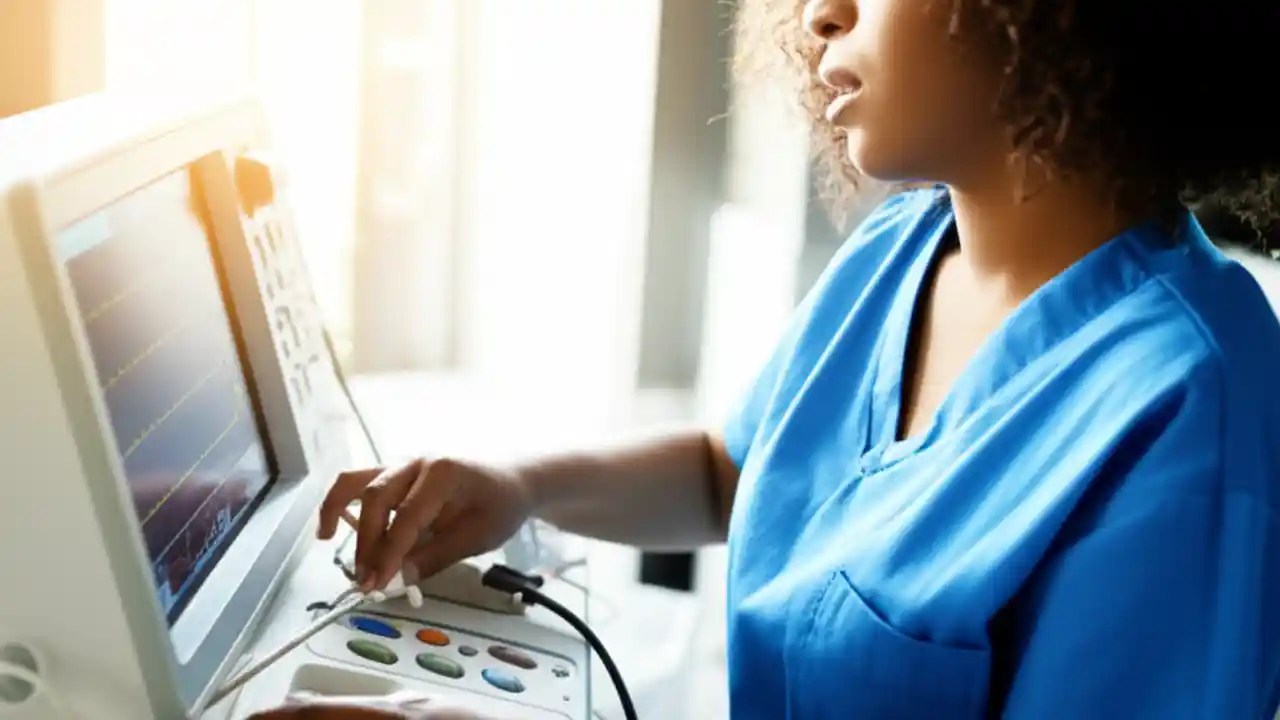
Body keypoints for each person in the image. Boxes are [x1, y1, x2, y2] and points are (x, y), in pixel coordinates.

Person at [255, 0, 1280, 717]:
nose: (818, 14)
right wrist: (520, 485)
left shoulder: (1190, 410)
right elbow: (736, 469)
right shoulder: (902, 246)